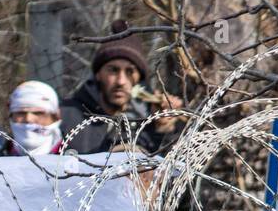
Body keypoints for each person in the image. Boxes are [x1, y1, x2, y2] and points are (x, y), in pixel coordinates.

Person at [58, 20, 184, 155]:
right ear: (98, 74)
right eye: (113, 70)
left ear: (138, 79)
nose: (121, 81)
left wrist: (162, 129)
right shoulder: (65, 116)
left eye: (129, 72)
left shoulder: (148, 120)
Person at [6, 81, 64, 156]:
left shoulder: (77, 159)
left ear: (55, 116)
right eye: (20, 113)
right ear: (11, 115)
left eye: (38, 113)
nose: (28, 119)